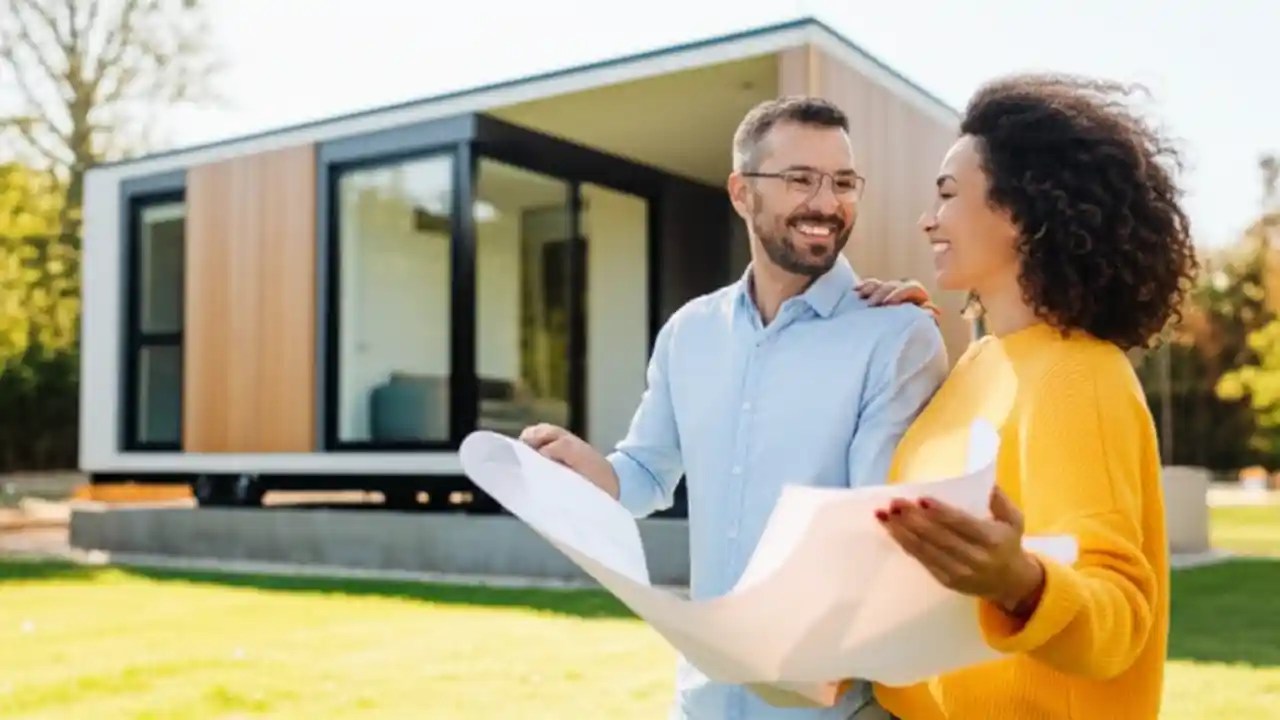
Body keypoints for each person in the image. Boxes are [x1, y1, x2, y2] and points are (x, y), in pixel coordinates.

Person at [519, 96, 949, 719]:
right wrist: (594, 472)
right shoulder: (688, 332)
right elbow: (645, 475)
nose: (827, 203)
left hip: (825, 707)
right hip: (703, 699)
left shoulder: (897, 335)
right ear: (742, 193)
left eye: (843, 182)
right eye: (801, 179)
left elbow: (878, 525)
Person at [856, 73, 1198, 719]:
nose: (928, 218)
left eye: (948, 194)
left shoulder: (1080, 375)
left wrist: (1019, 583)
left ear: (1020, 214)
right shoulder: (977, 364)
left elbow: (1119, 617)